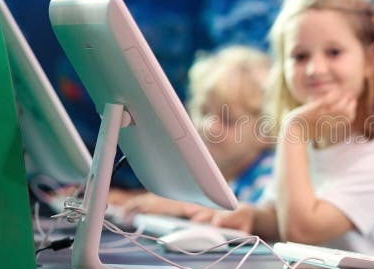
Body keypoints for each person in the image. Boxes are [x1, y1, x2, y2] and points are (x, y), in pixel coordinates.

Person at [214, 0, 374, 254]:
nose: (315, 69)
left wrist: (293, 131)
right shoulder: (306, 140)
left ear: (369, 61)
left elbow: (301, 231)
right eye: (299, 56)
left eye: (334, 53)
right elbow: (281, 217)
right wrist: (252, 216)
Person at [116, 45, 274, 217]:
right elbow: (166, 202)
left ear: (266, 131)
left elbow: (256, 219)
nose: (209, 126)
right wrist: (126, 201)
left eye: (228, 120)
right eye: (203, 111)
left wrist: (185, 208)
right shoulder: (214, 171)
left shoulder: (269, 175)